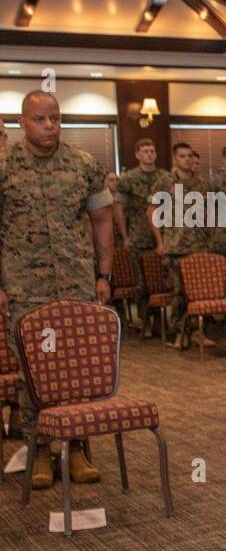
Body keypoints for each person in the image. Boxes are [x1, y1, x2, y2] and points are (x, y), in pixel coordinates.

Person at [0, 91, 114, 488]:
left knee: (77, 368)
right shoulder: (4, 166)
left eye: (56, 119)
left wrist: (104, 275)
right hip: (25, 289)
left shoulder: (84, 165)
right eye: (41, 120)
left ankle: (77, 448)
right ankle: (41, 451)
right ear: (21, 123)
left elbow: (101, 220)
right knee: (35, 373)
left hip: (76, 285)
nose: (51, 126)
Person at [154, 141, 214, 348]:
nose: (187, 160)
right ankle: (179, 333)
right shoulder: (164, 182)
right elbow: (152, 211)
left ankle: (197, 331)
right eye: (182, 156)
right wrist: (159, 241)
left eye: (190, 156)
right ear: (175, 159)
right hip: (175, 246)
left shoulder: (202, 184)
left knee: (199, 291)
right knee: (178, 293)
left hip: (198, 246)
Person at [114, 139, 165, 333]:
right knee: (142, 282)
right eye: (145, 151)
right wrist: (125, 236)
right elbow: (118, 208)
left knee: (162, 279)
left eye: (152, 151)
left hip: (163, 235)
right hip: (138, 235)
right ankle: (146, 321)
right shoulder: (128, 178)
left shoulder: (164, 176)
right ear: (137, 155)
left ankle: (161, 321)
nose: (149, 154)